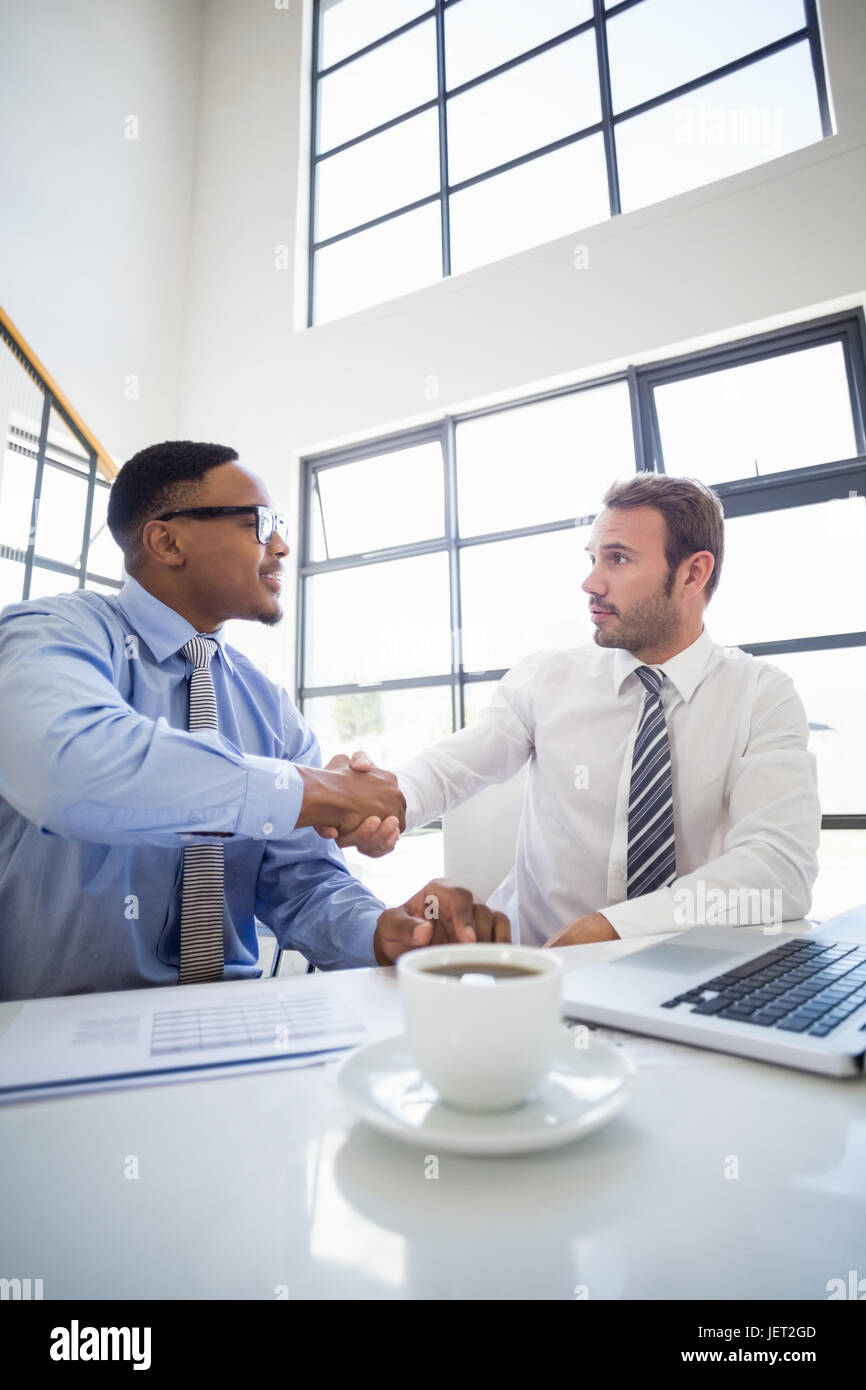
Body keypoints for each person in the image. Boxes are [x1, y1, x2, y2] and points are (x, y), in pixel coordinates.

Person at [0, 441, 508, 1002]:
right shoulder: (49, 633)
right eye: (261, 524)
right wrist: (322, 791)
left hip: (229, 1021)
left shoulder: (267, 704)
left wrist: (386, 933)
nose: (282, 546)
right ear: (168, 541)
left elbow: (304, 884)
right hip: (42, 1029)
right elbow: (72, 769)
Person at [329, 474, 821, 949]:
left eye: (618, 559)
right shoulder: (547, 679)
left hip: (688, 979)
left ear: (693, 573)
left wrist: (616, 928)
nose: (590, 582)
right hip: (537, 975)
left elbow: (779, 868)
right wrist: (389, 804)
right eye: (592, 558)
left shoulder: (762, 696)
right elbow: (450, 768)